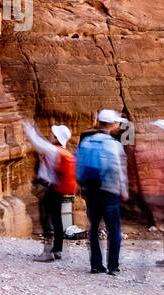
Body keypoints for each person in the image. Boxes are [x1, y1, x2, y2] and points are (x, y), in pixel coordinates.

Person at [76, 109, 129, 276]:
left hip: (91, 191)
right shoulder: (114, 144)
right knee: (114, 229)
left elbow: (79, 165)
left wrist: (82, 185)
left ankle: (96, 265)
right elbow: (119, 168)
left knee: (94, 229)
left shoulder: (86, 141)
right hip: (109, 191)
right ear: (112, 124)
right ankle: (113, 265)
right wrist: (123, 189)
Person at [22, 120, 74, 261]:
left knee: (45, 218)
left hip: (49, 188)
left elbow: (38, 143)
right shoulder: (62, 151)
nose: (50, 135)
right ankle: (58, 249)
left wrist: (28, 128)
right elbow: (42, 143)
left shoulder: (52, 150)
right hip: (58, 189)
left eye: (53, 134)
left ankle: (47, 252)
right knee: (57, 219)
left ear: (57, 138)